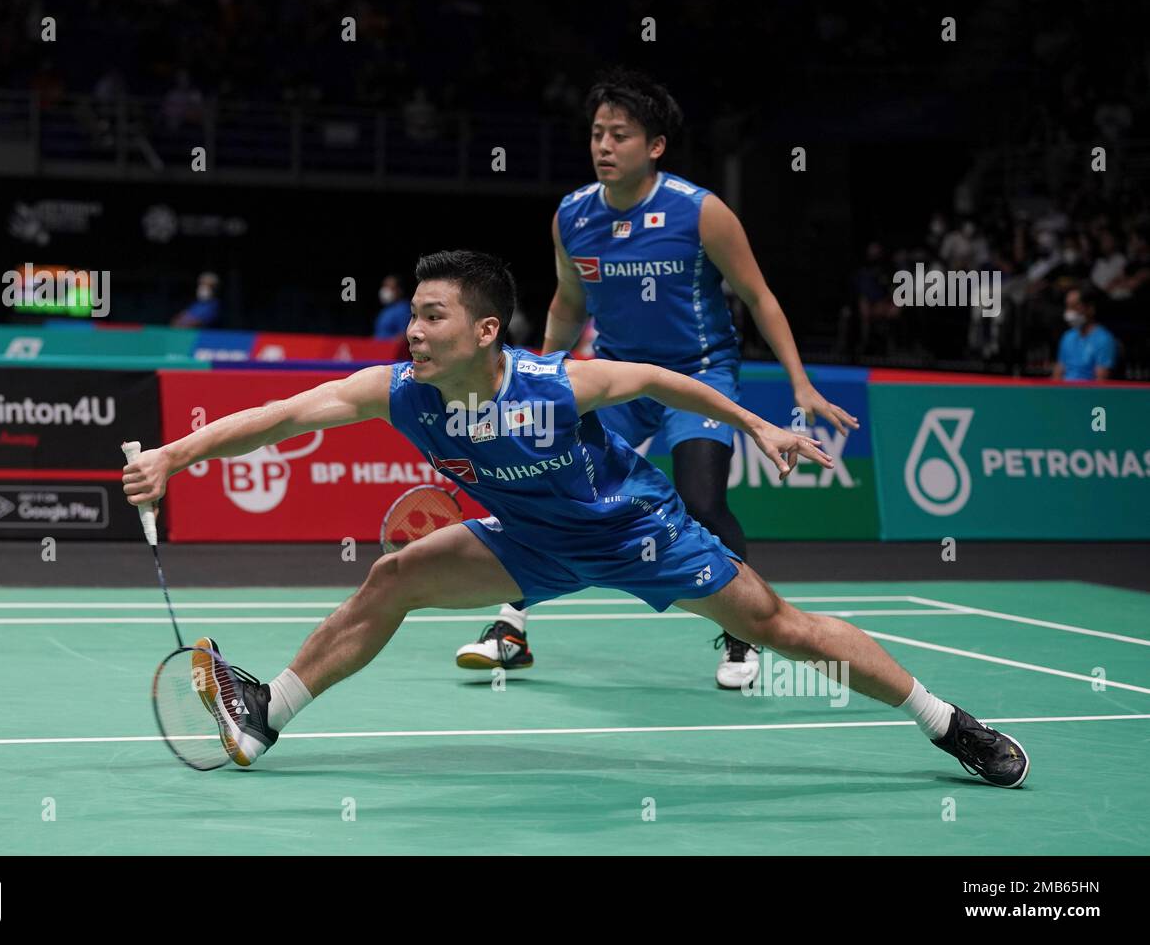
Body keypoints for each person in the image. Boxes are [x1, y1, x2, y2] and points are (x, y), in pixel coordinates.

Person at [121, 249, 1030, 789]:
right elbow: (283, 415)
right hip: (529, 544)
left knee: (783, 628)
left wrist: (756, 424)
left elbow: (659, 381)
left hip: (641, 532)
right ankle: (265, 712)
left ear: (485, 332)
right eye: (413, 316)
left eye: (433, 317)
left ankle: (947, 724)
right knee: (393, 579)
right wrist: (172, 457)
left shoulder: (557, 385)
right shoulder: (398, 393)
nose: (414, 331)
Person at [454, 70, 859, 690]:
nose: (604, 146)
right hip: (615, 375)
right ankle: (511, 627)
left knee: (699, 501)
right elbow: (568, 303)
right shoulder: (573, 215)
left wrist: (800, 384)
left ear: (656, 146)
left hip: (697, 371)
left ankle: (741, 632)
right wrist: (531, 380)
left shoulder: (700, 212)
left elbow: (759, 296)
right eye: (597, 134)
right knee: (555, 491)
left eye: (620, 135)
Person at [1053, 282, 1116, 381]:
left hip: (1087, 393)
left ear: (1090, 309)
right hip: (1064, 392)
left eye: (1074, 306)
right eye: (1068, 306)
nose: (1069, 312)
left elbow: (1101, 380)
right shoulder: (1067, 336)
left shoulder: (1104, 339)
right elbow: (1058, 372)